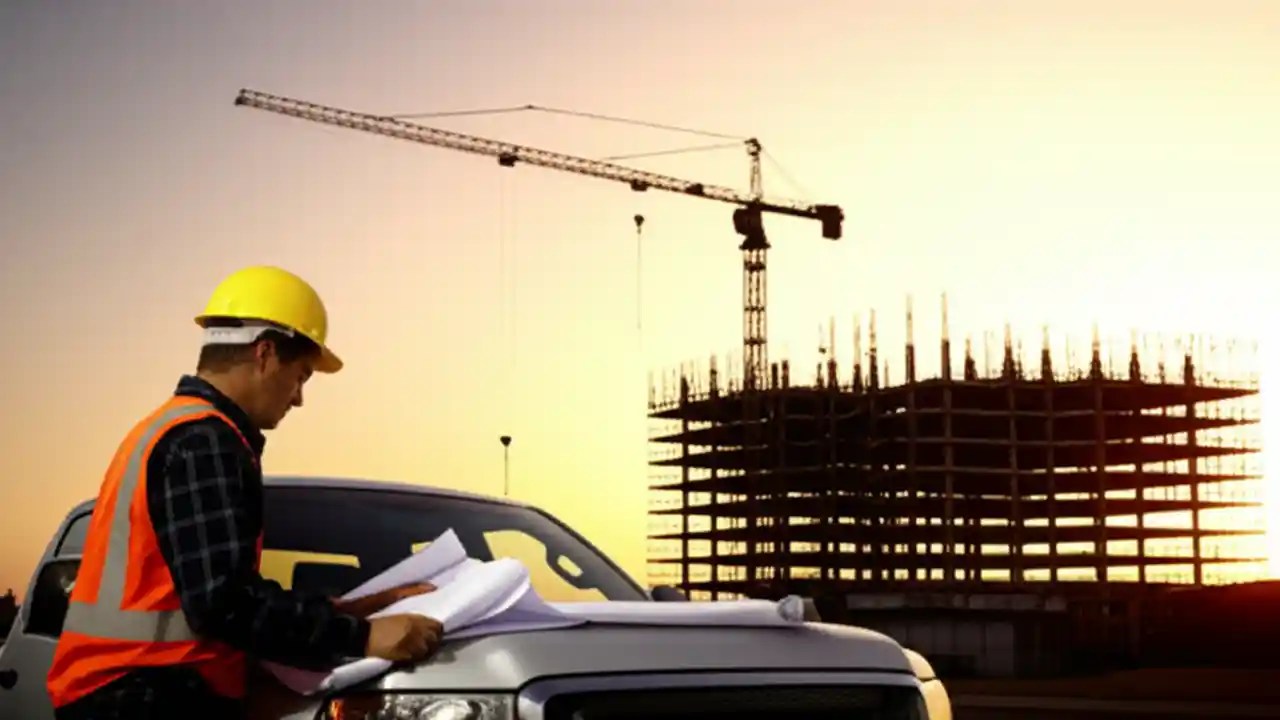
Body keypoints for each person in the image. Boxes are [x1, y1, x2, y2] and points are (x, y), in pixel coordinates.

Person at [46, 266, 443, 719]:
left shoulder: (175, 428)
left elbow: (216, 591)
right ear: (265, 353)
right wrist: (362, 637)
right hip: (145, 696)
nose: (299, 398)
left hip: (129, 692)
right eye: (301, 376)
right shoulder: (203, 440)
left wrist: (348, 611)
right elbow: (223, 603)